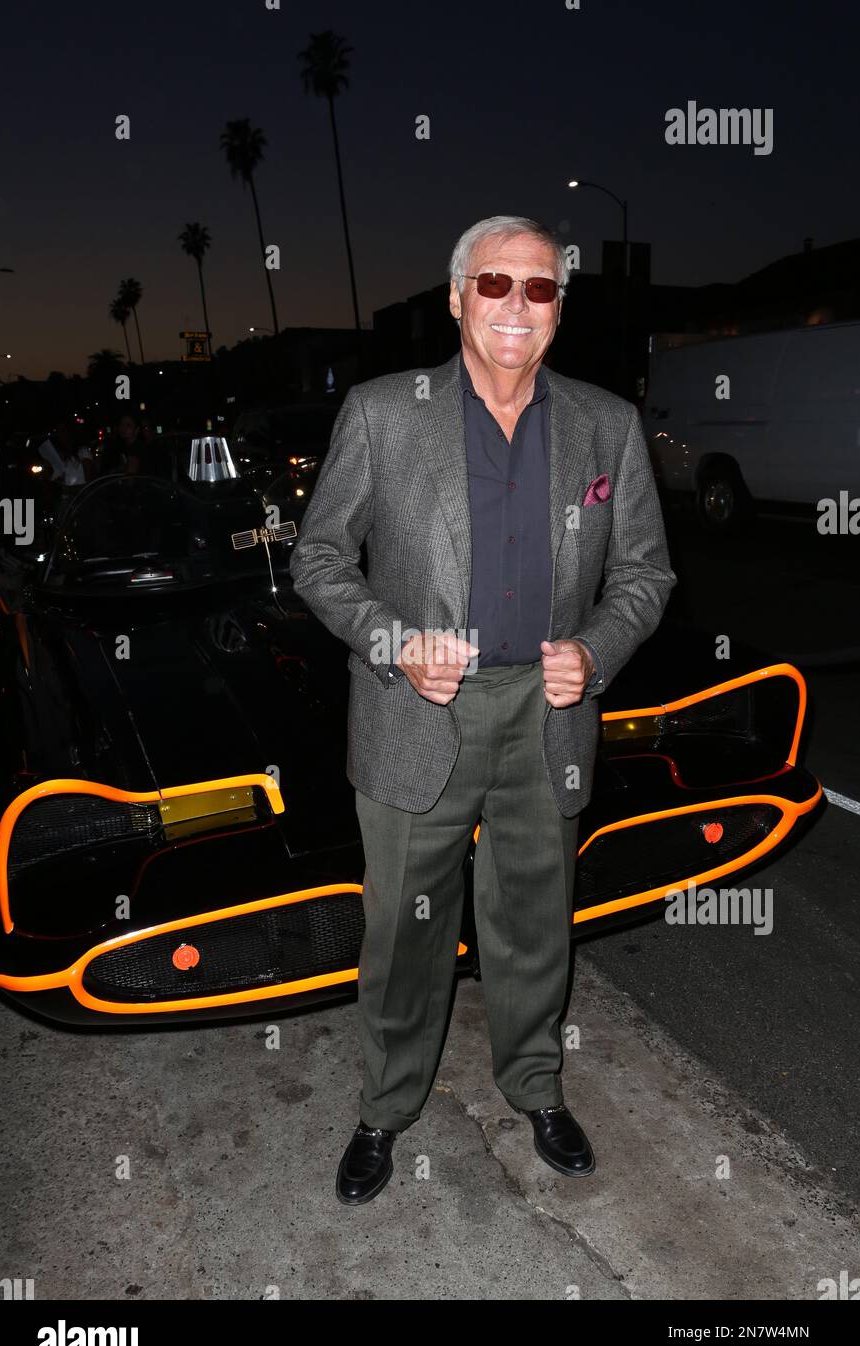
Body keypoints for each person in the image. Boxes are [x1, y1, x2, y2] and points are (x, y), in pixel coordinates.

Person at [289, 214, 676, 1206]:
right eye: (494, 284)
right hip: (416, 708)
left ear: (558, 308)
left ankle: (537, 1089)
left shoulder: (607, 426)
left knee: (534, 923)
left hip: (545, 715)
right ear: (458, 297)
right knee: (405, 930)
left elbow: (644, 575)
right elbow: (320, 557)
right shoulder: (385, 412)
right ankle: (384, 1108)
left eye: (539, 288)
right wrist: (393, 642)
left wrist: (592, 655)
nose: (516, 305)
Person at [99, 413, 171, 480]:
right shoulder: (124, 447)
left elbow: (130, 477)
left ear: (137, 430)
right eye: (121, 424)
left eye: (128, 425)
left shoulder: (136, 448)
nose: (123, 428)